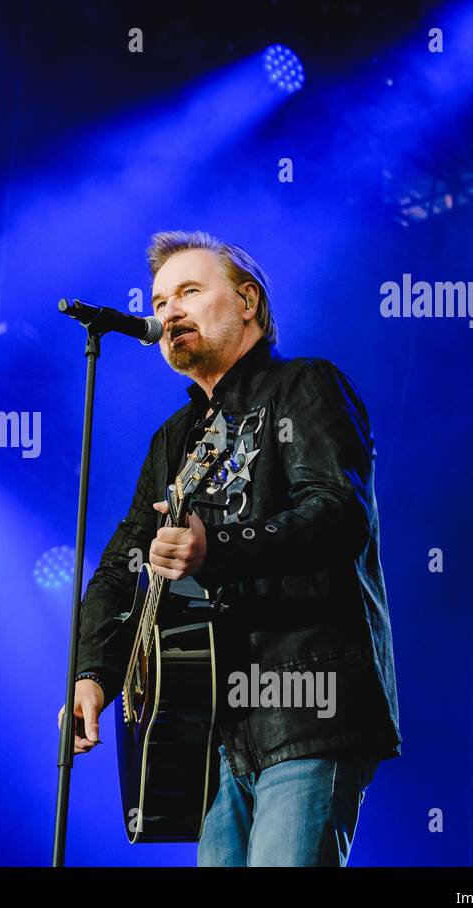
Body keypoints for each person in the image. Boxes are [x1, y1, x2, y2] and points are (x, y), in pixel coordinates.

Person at [62, 230, 401, 866]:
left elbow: (338, 513)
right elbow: (119, 563)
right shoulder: (175, 438)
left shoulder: (303, 386)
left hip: (307, 701)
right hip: (213, 729)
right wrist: (92, 672)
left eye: (189, 291)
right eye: (159, 302)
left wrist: (214, 549)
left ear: (247, 301)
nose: (168, 313)